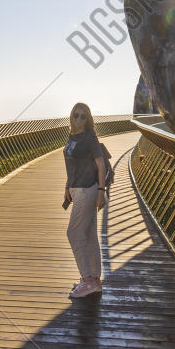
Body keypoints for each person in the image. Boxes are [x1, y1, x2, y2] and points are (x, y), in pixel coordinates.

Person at [63, 103, 108, 298]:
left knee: (73, 233)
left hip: (87, 190)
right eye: (76, 115)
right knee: (89, 234)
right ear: (71, 117)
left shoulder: (90, 138)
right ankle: (94, 280)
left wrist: (101, 191)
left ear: (88, 119)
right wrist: (67, 186)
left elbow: (100, 166)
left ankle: (87, 279)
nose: (78, 119)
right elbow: (72, 164)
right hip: (76, 188)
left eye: (83, 116)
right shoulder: (73, 137)